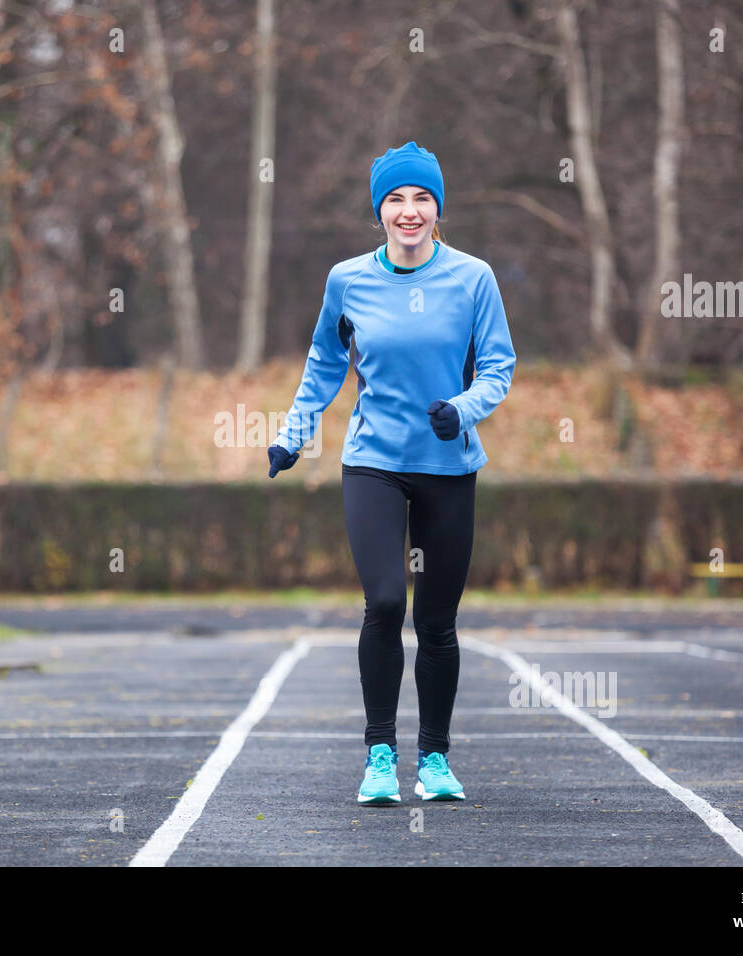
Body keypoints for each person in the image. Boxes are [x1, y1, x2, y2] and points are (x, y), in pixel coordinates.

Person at [266, 141, 516, 804]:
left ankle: (434, 760)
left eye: (422, 199)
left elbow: (498, 367)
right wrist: (293, 435)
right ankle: (380, 756)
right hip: (373, 463)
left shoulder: (474, 279)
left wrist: (461, 411)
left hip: (447, 465)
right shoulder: (347, 280)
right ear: (379, 211)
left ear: (439, 208)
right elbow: (324, 364)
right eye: (396, 199)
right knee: (383, 603)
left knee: (436, 620)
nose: (410, 211)